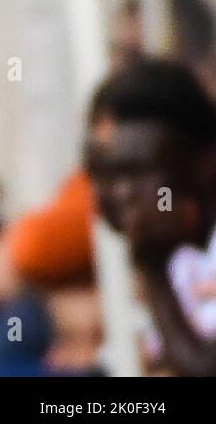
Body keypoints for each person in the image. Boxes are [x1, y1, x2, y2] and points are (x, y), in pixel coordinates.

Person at [86, 57, 216, 375]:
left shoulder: (161, 257)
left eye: (138, 171)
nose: (122, 193)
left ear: (202, 162)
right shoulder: (179, 250)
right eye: (108, 175)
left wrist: (151, 265)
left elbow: (205, 367)